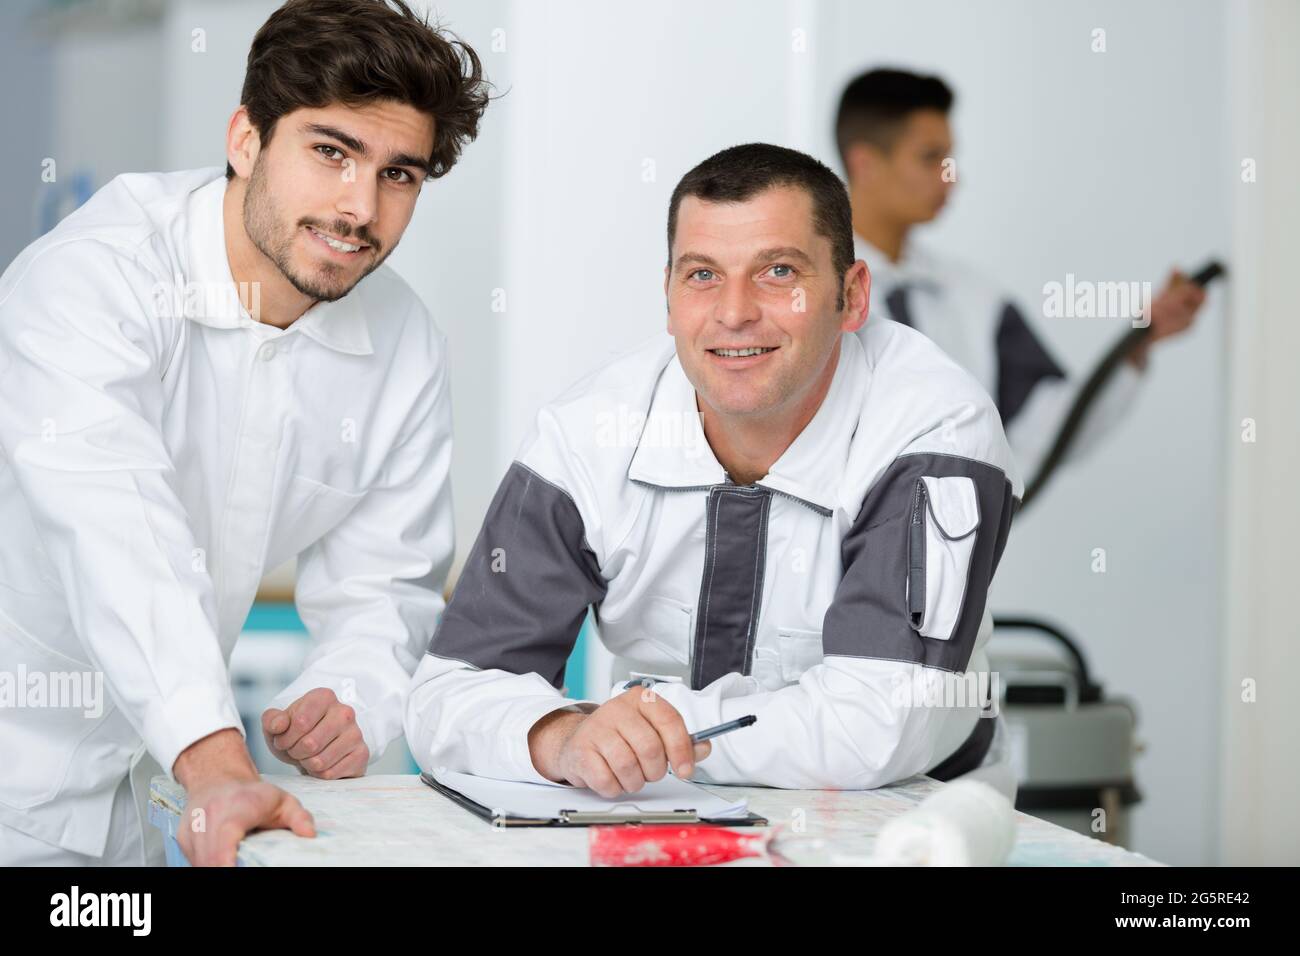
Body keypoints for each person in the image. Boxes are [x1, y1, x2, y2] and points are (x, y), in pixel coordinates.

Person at [0, 0, 489, 866]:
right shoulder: (92, 283)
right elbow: (117, 537)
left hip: (152, 803)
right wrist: (214, 757)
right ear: (246, 140)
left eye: (399, 174)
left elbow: (388, 585)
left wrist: (350, 697)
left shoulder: (403, 345)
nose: (358, 207)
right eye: (330, 151)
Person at [405, 143, 1022, 801]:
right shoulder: (588, 435)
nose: (734, 313)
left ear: (852, 296)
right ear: (668, 297)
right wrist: (558, 738)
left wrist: (641, 728)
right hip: (662, 804)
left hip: (912, 809)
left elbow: (875, 725)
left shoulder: (933, 429)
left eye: (778, 271)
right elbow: (448, 693)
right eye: (702, 275)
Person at [835, 68, 1207, 480]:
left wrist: (1139, 340)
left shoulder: (974, 299)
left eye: (949, 158)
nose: (951, 177)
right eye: (930, 158)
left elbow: (1050, 428)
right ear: (865, 163)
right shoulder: (805, 294)